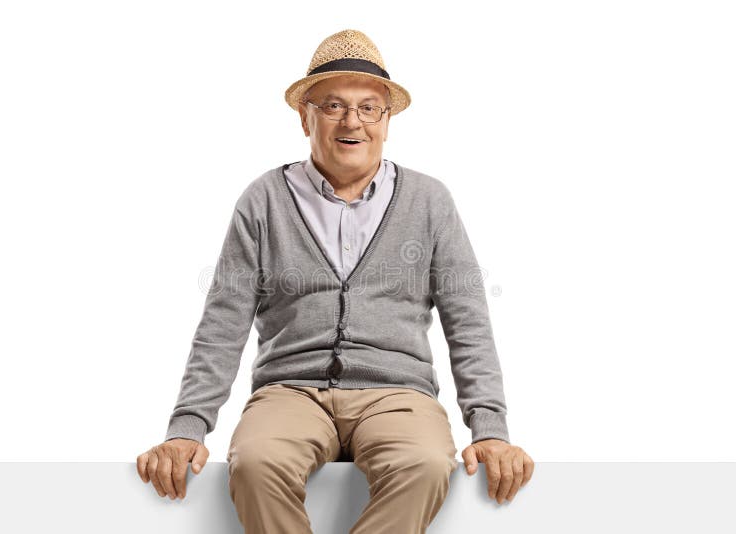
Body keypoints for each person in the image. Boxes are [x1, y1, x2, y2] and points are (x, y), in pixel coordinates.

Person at [137, 29, 533, 533]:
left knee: (427, 465)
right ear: (305, 115)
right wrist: (186, 428)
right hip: (290, 390)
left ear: (387, 120)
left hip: (399, 394)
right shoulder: (263, 200)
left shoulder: (430, 202)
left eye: (369, 108)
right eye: (333, 106)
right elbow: (223, 322)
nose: (353, 122)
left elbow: (468, 322)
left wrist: (490, 429)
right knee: (256, 464)